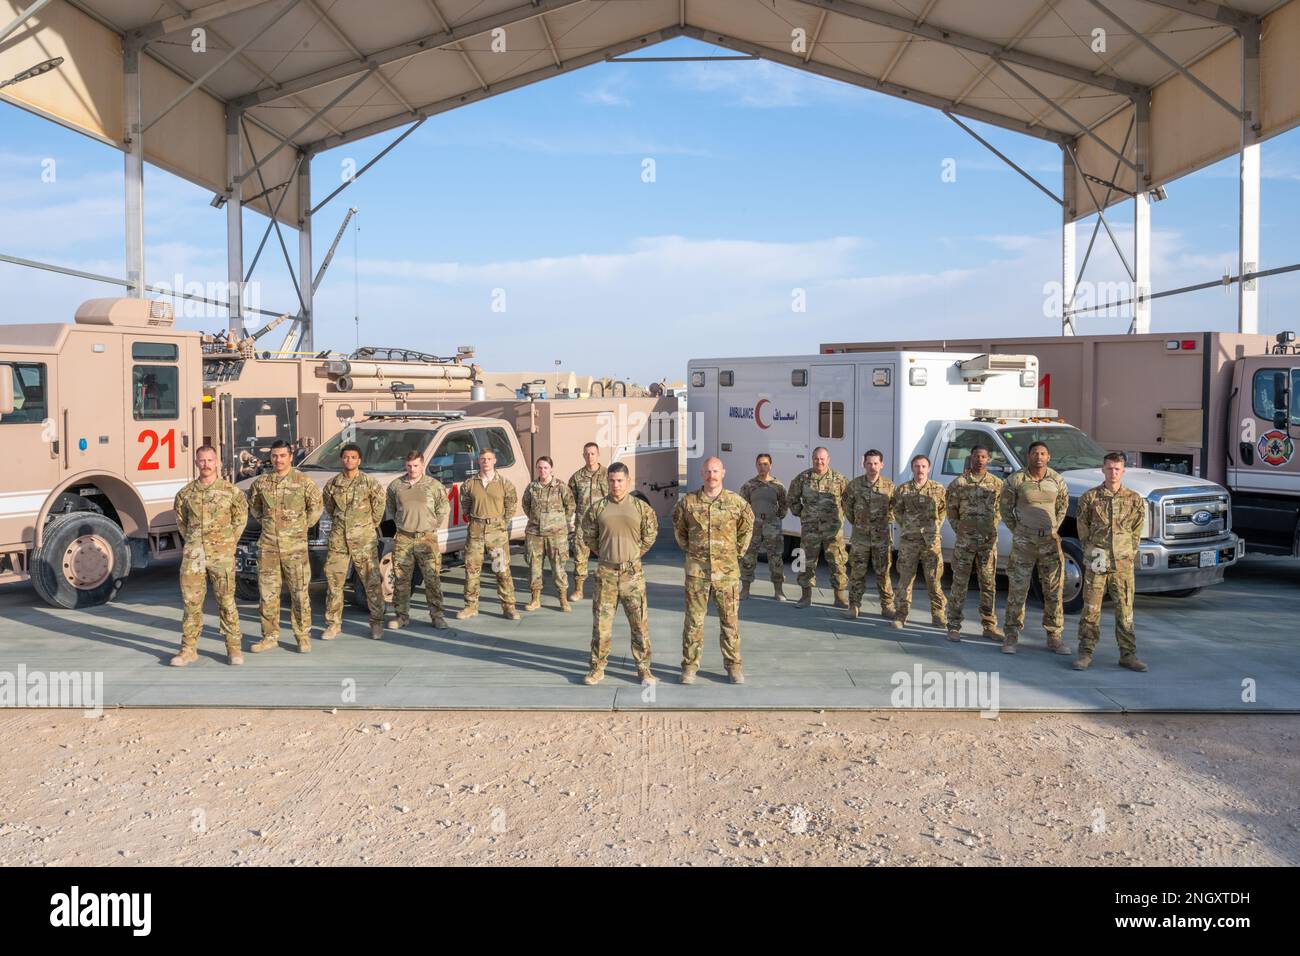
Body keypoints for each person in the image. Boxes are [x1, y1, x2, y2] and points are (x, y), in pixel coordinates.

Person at [673, 456, 754, 684]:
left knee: (730, 622)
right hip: (697, 574)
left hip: (726, 574)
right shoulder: (688, 503)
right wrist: (691, 551)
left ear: (723, 473)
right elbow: (679, 530)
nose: (712, 476)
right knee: (693, 622)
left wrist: (735, 554)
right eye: (708, 471)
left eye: (716, 471)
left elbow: (747, 528)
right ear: (702, 474)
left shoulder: (736, 502)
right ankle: (689, 667)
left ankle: (734, 667)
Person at [580, 462, 658, 686]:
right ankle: (597, 668)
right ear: (608, 482)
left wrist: (634, 554)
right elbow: (588, 535)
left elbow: (650, 534)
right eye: (612, 481)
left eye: (620, 480)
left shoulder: (640, 507)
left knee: (639, 626)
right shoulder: (597, 508)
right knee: (602, 626)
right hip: (606, 573)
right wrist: (605, 553)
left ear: (628, 481)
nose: (616, 485)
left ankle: (644, 669)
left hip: (632, 575)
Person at [171, 444, 248, 666]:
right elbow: (182, 524)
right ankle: (188, 649)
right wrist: (195, 543)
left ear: (218, 462)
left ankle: (233, 649)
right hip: (194, 556)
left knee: (226, 601)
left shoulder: (231, 492)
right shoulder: (185, 494)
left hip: (222, 555)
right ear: (196, 463)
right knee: (191, 604)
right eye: (202, 461)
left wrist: (228, 543)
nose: (206, 465)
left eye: (210, 460)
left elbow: (240, 519)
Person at [247, 439, 323, 653]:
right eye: (274, 456)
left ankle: (302, 636)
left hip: (295, 548)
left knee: (299, 593)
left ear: (290, 457)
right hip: (269, 547)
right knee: (268, 593)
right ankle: (269, 636)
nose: (278, 460)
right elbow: (256, 508)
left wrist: (299, 528)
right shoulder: (261, 483)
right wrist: (271, 526)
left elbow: (315, 508)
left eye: (282, 455)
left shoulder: (304, 482)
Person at [1074, 452, 1147, 672]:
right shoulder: (1090, 498)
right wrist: (1090, 551)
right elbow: (1082, 528)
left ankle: (1128, 655)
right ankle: (1085, 653)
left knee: (1125, 610)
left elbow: (1136, 530)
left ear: (1123, 471)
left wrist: (1131, 551)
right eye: (1109, 468)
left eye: (1117, 469)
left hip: (1123, 563)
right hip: (1098, 560)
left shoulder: (1134, 499)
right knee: (1091, 609)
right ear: (1103, 470)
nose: (1113, 472)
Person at [1001, 440, 1070, 654]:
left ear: (1048, 457)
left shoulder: (1057, 480)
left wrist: (1052, 529)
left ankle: (1054, 636)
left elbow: (1062, 507)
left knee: (1053, 590)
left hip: (1050, 542)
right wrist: (1021, 530)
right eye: (1035, 453)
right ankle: (1011, 636)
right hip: (1024, 542)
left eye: (1043, 453)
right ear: (1028, 456)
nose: (1039, 457)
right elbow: (1005, 509)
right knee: (1018, 589)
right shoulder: (1016, 480)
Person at [321, 443, 386, 641]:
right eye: (346, 457)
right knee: (334, 582)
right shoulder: (333, 484)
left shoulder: (369, 483)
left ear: (359, 460)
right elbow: (330, 508)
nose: (349, 460)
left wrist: (366, 526)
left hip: (364, 539)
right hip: (339, 539)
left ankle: (376, 623)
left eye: (353, 457)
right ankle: (333, 624)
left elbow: (379, 508)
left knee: (371, 581)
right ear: (342, 459)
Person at [945, 446, 1004, 642]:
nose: (980, 460)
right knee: (959, 584)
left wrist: (989, 528)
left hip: (987, 544)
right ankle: (953, 626)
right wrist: (962, 530)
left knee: (988, 584)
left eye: (984, 456)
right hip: (965, 543)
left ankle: (989, 625)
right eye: (976, 456)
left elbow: (1000, 510)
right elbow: (951, 512)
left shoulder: (996, 484)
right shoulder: (959, 484)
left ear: (988, 459)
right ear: (971, 458)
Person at [387, 450, 449, 631]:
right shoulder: (396, 485)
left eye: (416, 465)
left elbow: (443, 508)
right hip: (404, 537)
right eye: (409, 466)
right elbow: (391, 508)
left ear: (422, 465)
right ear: (405, 466)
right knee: (401, 579)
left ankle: (437, 616)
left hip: (426, 538)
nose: (412, 469)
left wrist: (431, 525)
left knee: (432, 579)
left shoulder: (433, 485)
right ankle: (401, 616)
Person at [458, 448, 518, 620]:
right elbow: (466, 507)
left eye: (489, 459)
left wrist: (498, 524)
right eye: (483, 459)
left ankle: (509, 607)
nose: (486, 462)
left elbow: (510, 508)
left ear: (495, 461)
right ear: (479, 461)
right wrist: (477, 521)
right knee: (472, 569)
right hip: (476, 531)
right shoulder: (470, 484)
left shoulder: (505, 484)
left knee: (501, 569)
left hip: (497, 533)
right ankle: (470, 606)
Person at [787, 447, 850, 609]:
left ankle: (839, 597)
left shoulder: (839, 479)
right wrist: (803, 514)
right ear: (812, 459)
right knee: (805, 562)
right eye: (816, 458)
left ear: (828, 459)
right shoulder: (803, 478)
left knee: (837, 562)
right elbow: (792, 498)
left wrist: (840, 516)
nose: (819, 462)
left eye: (822, 459)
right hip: (810, 530)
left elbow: (849, 500)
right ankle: (805, 597)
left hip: (833, 530)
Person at [890, 454, 948, 629]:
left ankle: (938, 615)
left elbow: (943, 510)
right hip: (909, 541)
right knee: (905, 580)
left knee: (933, 580)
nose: (920, 469)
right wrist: (908, 526)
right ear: (912, 468)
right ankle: (900, 615)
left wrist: (934, 527)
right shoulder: (903, 490)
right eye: (916, 466)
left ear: (928, 468)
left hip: (931, 542)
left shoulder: (938, 489)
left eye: (923, 466)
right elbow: (897, 512)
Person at [843, 449, 895, 619]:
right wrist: (860, 523)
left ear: (882, 464)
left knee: (883, 573)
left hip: (882, 539)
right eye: (869, 463)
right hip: (860, 538)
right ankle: (854, 605)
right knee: (857, 572)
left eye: (875, 463)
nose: (872, 467)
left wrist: (882, 523)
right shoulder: (854, 485)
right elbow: (847, 508)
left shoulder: (889, 486)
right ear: (863, 464)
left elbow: (895, 509)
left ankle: (887, 606)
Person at [522, 455, 575, 612]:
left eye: (545, 467)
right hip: (535, 534)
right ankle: (535, 599)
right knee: (534, 568)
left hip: (556, 535)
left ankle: (563, 599)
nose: (543, 470)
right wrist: (536, 520)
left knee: (558, 568)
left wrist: (559, 522)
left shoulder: (561, 487)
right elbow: (526, 506)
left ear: (551, 468)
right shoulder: (531, 487)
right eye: (540, 467)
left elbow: (570, 505)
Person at [739, 453, 788, 601]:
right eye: (760, 464)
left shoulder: (778, 486)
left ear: (771, 466)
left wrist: (775, 519)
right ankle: (745, 589)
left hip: (772, 526)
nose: (762, 467)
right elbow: (742, 505)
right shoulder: (749, 485)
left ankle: (778, 591)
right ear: (756, 465)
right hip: (753, 526)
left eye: (765, 464)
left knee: (776, 559)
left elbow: (784, 505)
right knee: (748, 558)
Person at [567, 443, 608, 601]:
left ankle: (605, 590)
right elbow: (570, 501)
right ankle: (578, 590)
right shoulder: (577, 477)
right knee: (579, 557)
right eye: (587, 454)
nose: (590, 456)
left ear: (598, 454)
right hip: (583, 524)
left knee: (606, 558)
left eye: (592, 453)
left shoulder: (607, 474)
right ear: (583, 455)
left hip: (604, 524)